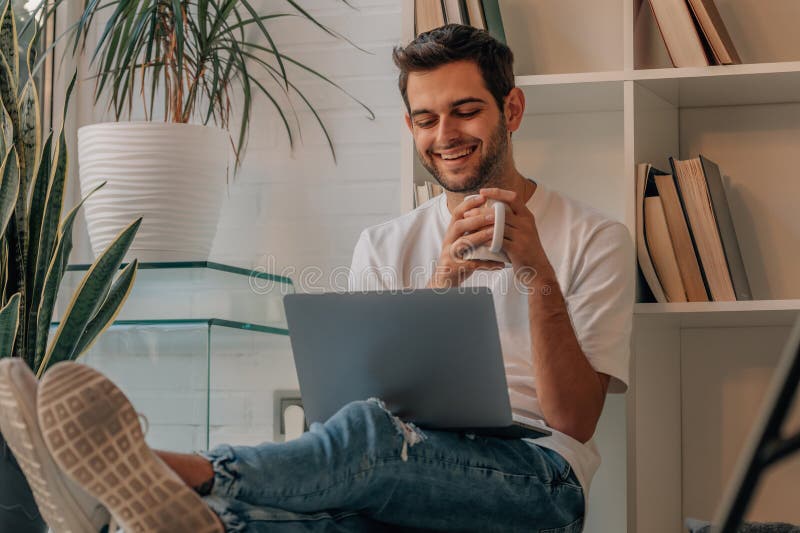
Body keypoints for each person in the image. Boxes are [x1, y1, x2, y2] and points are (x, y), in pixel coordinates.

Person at [0, 24, 633, 533]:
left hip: (537, 484)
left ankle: (161, 468)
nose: (446, 136)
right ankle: (136, 515)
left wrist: (536, 272)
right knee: (296, 517)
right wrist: (440, 289)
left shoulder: (595, 237)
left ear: (511, 108)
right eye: (425, 118)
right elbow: (371, 401)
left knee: (370, 440)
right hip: (412, 466)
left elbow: (574, 420)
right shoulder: (383, 244)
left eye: (465, 111)